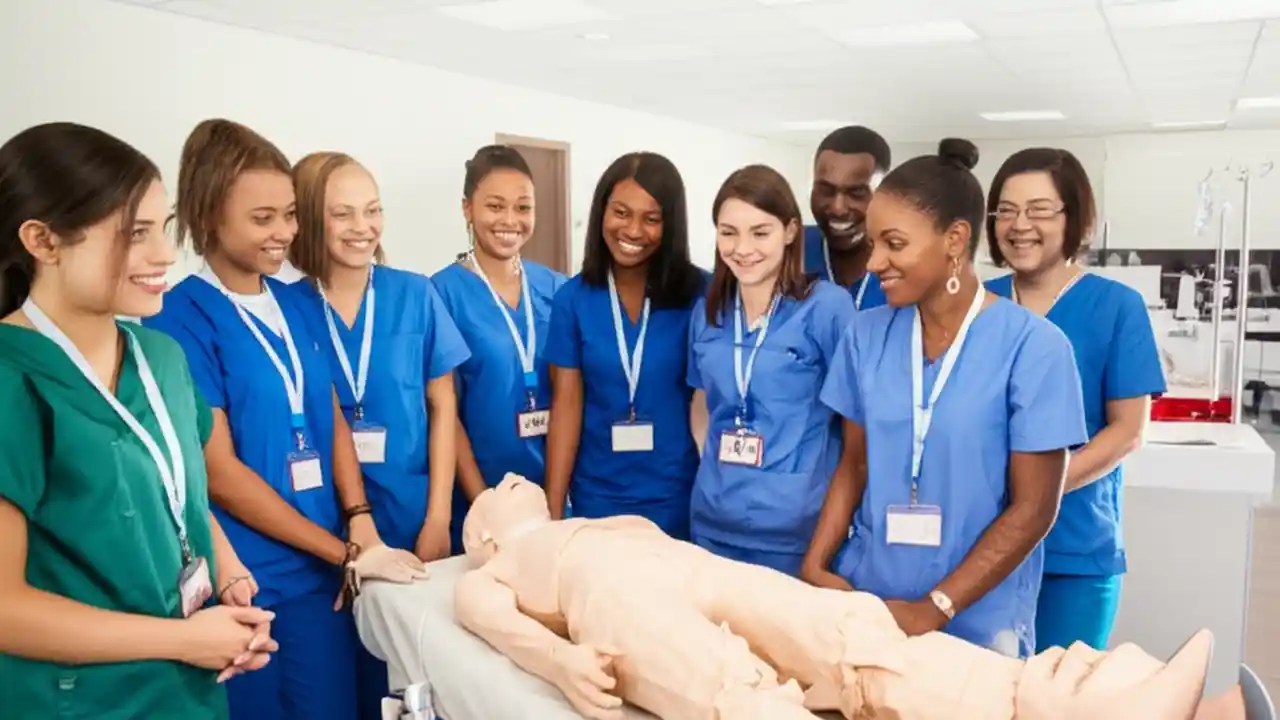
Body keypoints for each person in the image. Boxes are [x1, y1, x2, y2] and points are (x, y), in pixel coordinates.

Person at [454, 473, 1245, 720]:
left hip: (686, 564)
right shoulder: (503, 564)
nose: (507, 478)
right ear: (485, 535)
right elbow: (478, 615)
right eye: (493, 490)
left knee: (845, 628)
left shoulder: (600, 519)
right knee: (721, 679)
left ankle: (1025, 699)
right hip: (605, 594)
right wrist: (557, 662)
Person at [144, 119, 426, 720]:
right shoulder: (180, 318)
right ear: (208, 215)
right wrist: (344, 552)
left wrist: (360, 523)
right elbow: (217, 470)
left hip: (324, 569)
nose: (284, 234)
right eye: (262, 218)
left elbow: (329, 415)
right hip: (252, 577)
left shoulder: (296, 302)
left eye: (290, 215)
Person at [0, 122, 276, 718]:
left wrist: (225, 569)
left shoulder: (161, 356)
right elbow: (4, 609)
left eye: (165, 229)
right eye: (135, 234)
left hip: (185, 690)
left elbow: (174, 482)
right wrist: (185, 639)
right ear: (43, 242)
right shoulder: (11, 379)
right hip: (77, 701)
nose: (164, 255)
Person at [801, 139, 1089, 659]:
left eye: (893, 243)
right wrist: (816, 566)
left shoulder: (1036, 349)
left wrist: (935, 608)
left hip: (978, 618)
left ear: (954, 239)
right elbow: (854, 464)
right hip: (870, 600)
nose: (874, 263)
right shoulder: (865, 336)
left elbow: (1035, 507)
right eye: (872, 244)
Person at [284, 151, 469, 711]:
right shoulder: (287, 307)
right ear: (311, 219)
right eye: (343, 214)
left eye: (373, 210)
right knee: (347, 683)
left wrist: (439, 516)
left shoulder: (415, 295)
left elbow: (444, 406)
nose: (362, 227)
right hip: (327, 530)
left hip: (415, 518)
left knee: (418, 682)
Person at [984, 148, 1166, 652]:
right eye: (1006, 210)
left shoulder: (1115, 306)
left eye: (1040, 209)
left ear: (1074, 216)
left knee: (1060, 697)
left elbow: (1128, 431)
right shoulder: (980, 303)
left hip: (1075, 549)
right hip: (983, 547)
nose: (1020, 224)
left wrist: (1038, 493)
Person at [687, 165, 854, 576]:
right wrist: (717, 471)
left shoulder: (827, 308)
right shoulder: (709, 311)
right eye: (729, 232)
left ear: (791, 231)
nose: (743, 248)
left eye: (760, 232)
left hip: (796, 530)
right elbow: (702, 401)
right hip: (713, 521)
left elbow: (857, 421)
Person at [544, 152, 705, 540]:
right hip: (598, 498)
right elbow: (566, 406)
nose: (633, 230)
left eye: (651, 218)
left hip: (679, 495)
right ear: (602, 211)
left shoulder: (701, 294)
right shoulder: (573, 299)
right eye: (620, 212)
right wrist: (550, 514)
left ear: (671, 225)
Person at [432, 145, 566, 552]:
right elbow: (445, 413)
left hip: (552, 498)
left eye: (523, 207)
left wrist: (557, 504)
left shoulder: (558, 289)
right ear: (467, 209)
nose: (510, 220)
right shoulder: (441, 294)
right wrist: (485, 505)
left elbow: (570, 397)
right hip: (480, 502)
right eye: (495, 206)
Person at [806, 125, 891, 310]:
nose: (838, 209)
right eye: (825, 190)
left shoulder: (904, 267)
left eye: (857, 193)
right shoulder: (787, 250)